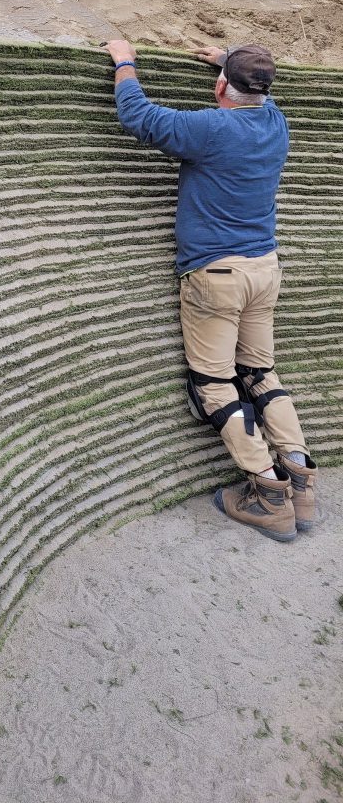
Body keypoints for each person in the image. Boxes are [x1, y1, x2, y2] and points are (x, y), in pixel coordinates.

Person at [102, 38, 317, 542]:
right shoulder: (275, 123)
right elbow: (256, 91)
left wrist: (124, 60)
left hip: (216, 275)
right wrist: (230, 62)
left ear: (222, 87)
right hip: (264, 268)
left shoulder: (212, 127)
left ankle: (268, 491)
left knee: (214, 382)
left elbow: (141, 117)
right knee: (261, 372)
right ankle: (301, 478)